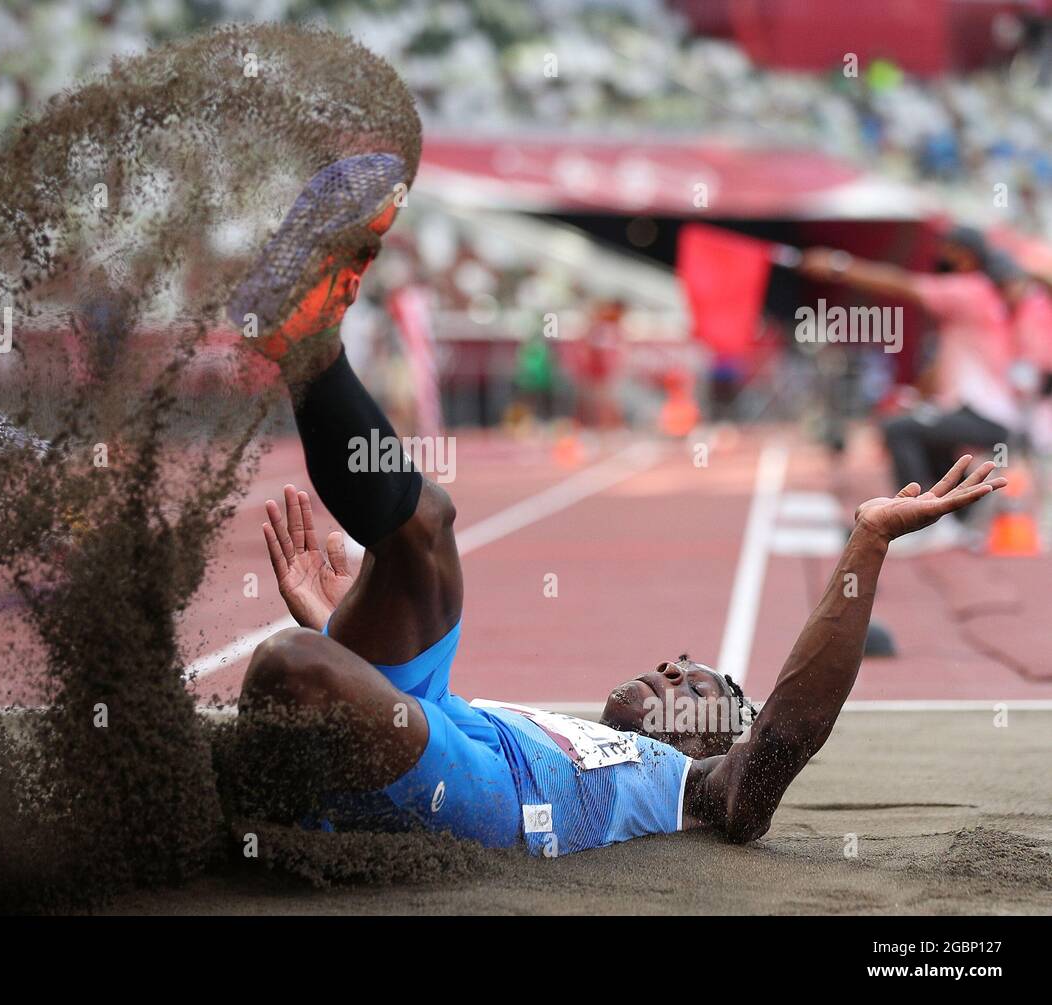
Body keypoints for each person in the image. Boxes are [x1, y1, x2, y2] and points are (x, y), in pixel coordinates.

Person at [230, 155, 1008, 855]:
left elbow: (789, 731)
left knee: (293, 667)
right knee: (427, 526)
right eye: (684, 665)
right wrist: (351, 634)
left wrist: (866, 541)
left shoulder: (693, 793)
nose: (673, 664)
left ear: (715, 747)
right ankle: (305, 342)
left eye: (698, 687)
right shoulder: (567, 733)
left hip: (459, 780)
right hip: (434, 713)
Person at [800, 227, 1019, 551]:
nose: (940, 256)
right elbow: (944, 367)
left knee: (899, 430)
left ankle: (921, 525)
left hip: (986, 416)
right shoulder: (980, 298)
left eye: (948, 249)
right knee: (920, 429)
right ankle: (954, 524)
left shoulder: (968, 289)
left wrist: (836, 264)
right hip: (979, 412)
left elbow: (901, 284)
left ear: (966, 257)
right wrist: (917, 396)